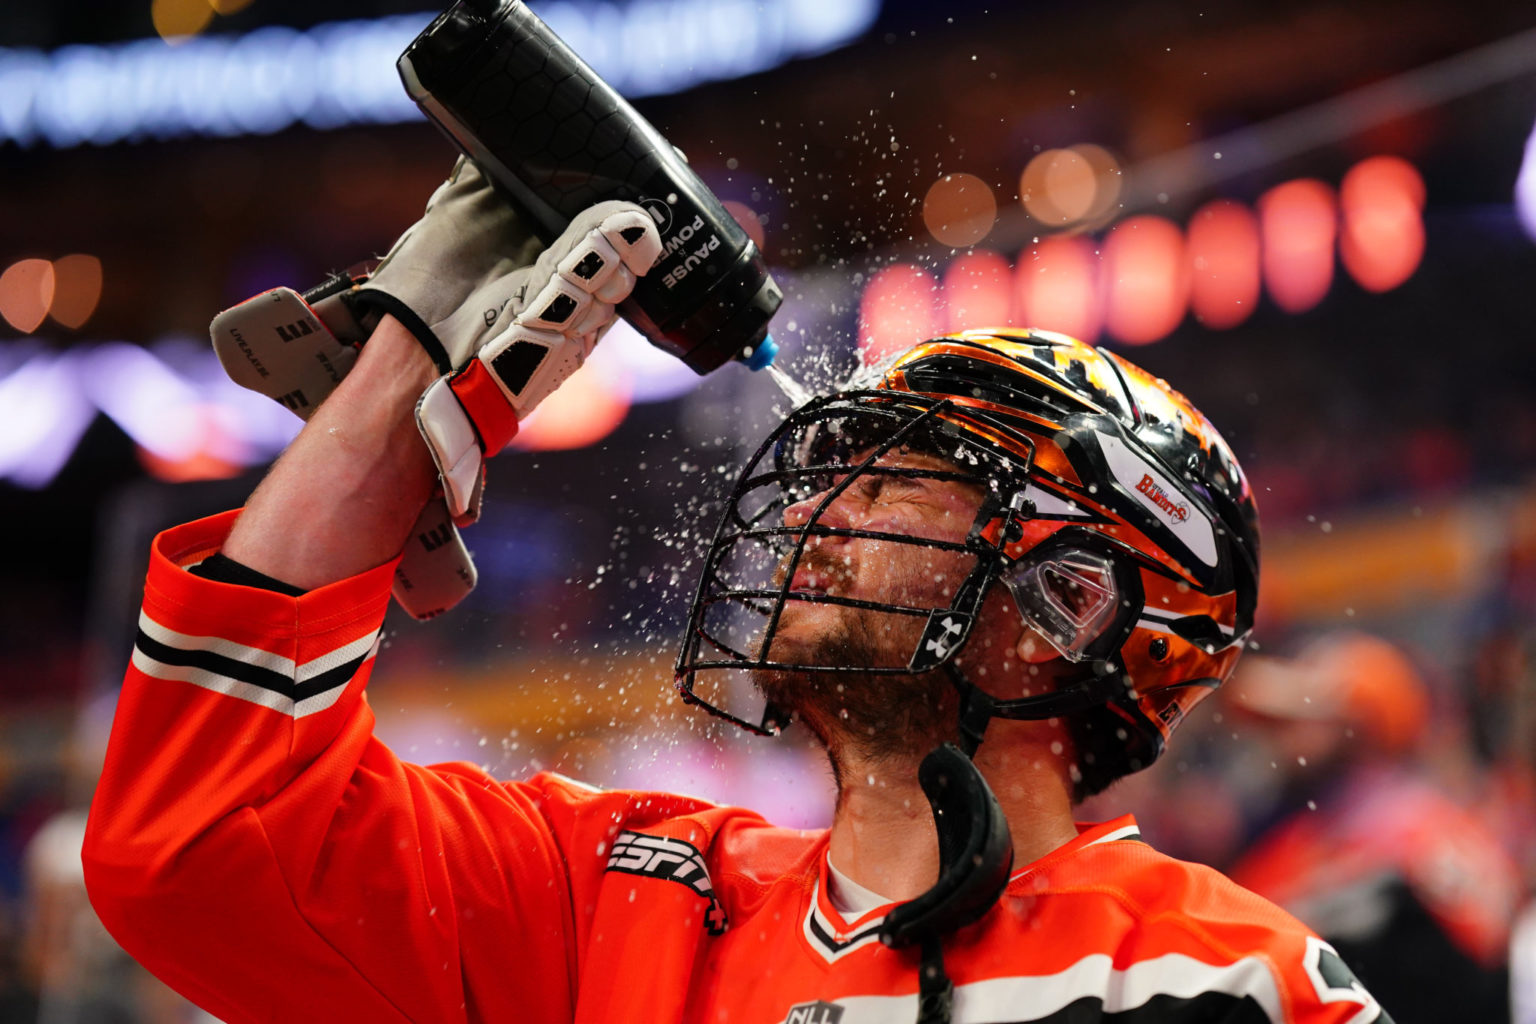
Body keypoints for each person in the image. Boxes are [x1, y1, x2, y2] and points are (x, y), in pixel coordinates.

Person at [83, 159, 1392, 1024]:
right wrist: (397, 373)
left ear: (1074, 601)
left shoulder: (1229, 982)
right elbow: (201, 846)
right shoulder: (613, 893)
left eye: (901, 481)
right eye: (836, 470)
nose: (824, 504)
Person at [1224, 632, 1522, 1024]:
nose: (1280, 742)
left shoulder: (1426, 833)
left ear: (1361, 727)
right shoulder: (1288, 842)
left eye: (1301, 722)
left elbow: (1494, 960)